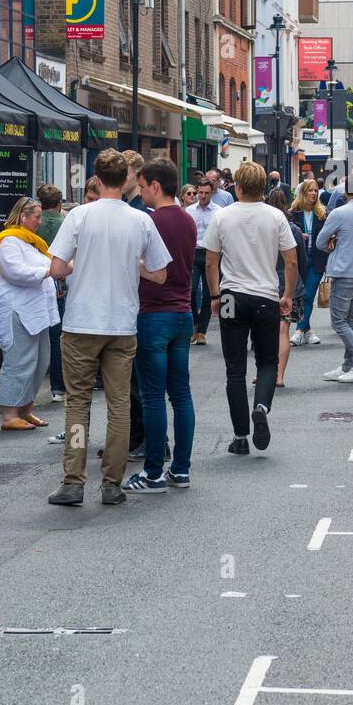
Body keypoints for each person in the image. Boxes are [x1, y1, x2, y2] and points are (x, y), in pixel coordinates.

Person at [46, 149, 171, 507]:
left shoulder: (80, 216)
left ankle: (73, 480)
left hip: (81, 322)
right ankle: (112, 483)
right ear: (126, 179)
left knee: (78, 405)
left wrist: (77, 263)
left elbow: (56, 269)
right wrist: (135, 266)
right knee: (119, 406)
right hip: (121, 322)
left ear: (97, 179)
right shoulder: (141, 220)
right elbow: (161, 273)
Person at [204, 162, 297, 454]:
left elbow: (210, 262)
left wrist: (215, 295)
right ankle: (261, 406)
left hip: (231, 296)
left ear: (238, 187)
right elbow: (291, 260)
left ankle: (241, 437)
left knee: (234, 370)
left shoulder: (221, 217)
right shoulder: (276, 217)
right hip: (266, 297)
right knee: (267, 361)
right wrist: (288, 294)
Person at [123, 156, 197, 493]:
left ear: (154, 185)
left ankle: (152, 473)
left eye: (142, 186)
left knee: (152, 398)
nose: (141, 192)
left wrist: (135, 265)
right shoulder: (188, 219)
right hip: (183, 314)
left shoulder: (149, 222)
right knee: (181, 395)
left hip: (153, 315)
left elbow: (144, 266)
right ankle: (180, 470)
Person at [0, 196, 59, 432]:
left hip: (36, 312)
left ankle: (25, 408)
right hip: (18, 311)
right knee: (20, 361)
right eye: (36, 217)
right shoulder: (8, 241)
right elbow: (17, 272)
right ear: (23, 217)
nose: (39, 222)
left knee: (40, 361)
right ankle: (9, 414)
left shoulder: (31, 241)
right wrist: (49, 270)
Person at [316, 176, 353, 382]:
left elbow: (320, 241)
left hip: (343, 271)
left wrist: (332, 243)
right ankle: (347, 366)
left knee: (339, 322)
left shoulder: (339, 213)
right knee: (348, 320)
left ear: (344, 191)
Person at [266, 188, 308, 386]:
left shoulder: (263, 226)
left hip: (267, 284)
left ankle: (264, 372)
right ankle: (279, 376)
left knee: (265, 332)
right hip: (290, 285)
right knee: (283, 331)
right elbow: (300, 260)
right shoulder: (293, 229)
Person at [37, 183, 67, 401]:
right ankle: (58, 387)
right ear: (59, 203)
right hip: (56, 283)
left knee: (34, 335)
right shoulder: (64, 223)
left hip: (33, 283)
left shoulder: (33, 223)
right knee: (57, 337)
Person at [289, 178, 328, 346]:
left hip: (317, 259)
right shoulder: (293, 213)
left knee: (308, 295)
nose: (313, 193)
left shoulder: (322, 213)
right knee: (300, 295)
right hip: (298, 259)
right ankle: (308, 330)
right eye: (310, 190)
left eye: (315, 190)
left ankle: (299, 330)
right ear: (303, 193)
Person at [186, 180, 220, 344]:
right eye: (200, 192)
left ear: (212, 192)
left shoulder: (218, 212)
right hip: (193, 252)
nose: (202, 196)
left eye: (206, 193)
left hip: (211, 253)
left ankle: (202, 332)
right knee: (191, 290)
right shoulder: (190, 210)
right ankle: (194, 324)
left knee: (209, 293)